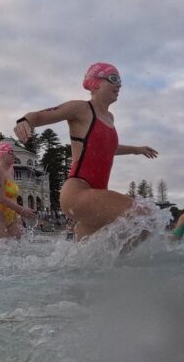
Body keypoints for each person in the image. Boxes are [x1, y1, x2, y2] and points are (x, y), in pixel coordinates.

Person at [13, 62, 158, 241]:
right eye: (113, 79)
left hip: (95, 197)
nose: (119, 84)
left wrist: (137, 150)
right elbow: (40, 115)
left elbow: (107, 149)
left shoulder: (110, 118)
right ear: (96, 83)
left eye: (120, 80)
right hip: (78, 193)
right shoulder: (81, 109)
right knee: (144, 217)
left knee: (92, 263)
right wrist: (24, 121)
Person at [0, 142, 36, 240]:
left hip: (12, 214)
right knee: (2, 251)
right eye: (11, 152)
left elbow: (12, 198)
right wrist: (22, 210)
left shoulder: (9, 172)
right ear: (2, 154)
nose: (14, 155)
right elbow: (0, 198)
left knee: (17, 249)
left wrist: (18, 214)